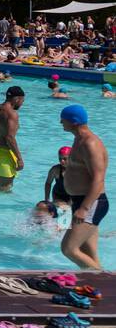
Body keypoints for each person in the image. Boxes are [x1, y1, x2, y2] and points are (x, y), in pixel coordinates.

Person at [58, 104, 108, 269]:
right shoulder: (78, 139)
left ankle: (103, 280)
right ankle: (98, 285)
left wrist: (84, 209)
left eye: (63, 119)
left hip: (91, 204)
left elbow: (98, 179)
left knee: (69, 249)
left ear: (74, 121)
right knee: (88, 254)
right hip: (81, 201)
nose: (60, 122)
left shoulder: (90, 143)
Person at [0, 85, 26, 190]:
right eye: (22, 101)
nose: (22, 104)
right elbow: (10, 138)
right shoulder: (12, 114)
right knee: (6, 188)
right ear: (16, 99)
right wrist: (20, 159)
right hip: (3, 154)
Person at [43, 146, 72, 211]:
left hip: (73, 196)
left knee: (69, 209)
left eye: (65, 159)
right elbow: (48, 183)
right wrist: (47, 199)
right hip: (58, 195)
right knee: (62, 208)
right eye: (60, 158)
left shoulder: (77, 171)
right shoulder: (55, 170)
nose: (62, 161)